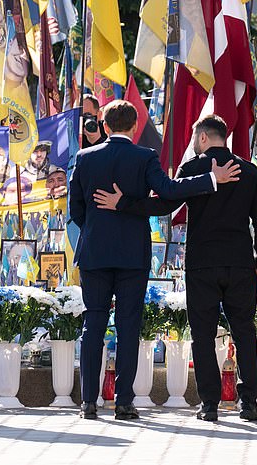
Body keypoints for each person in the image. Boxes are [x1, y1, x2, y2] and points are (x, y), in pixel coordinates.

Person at [69, 101, 241, 421]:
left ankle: (89, 402)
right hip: (132, 253)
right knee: (128, 326)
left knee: (93, 325)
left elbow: (75, 210)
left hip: (95, 252)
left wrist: (96, 228)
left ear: (105, 126)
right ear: (135, 127)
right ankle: (124, 402)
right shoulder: (144, 156)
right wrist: (210, 178)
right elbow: (168, 191)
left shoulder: (84, 157)